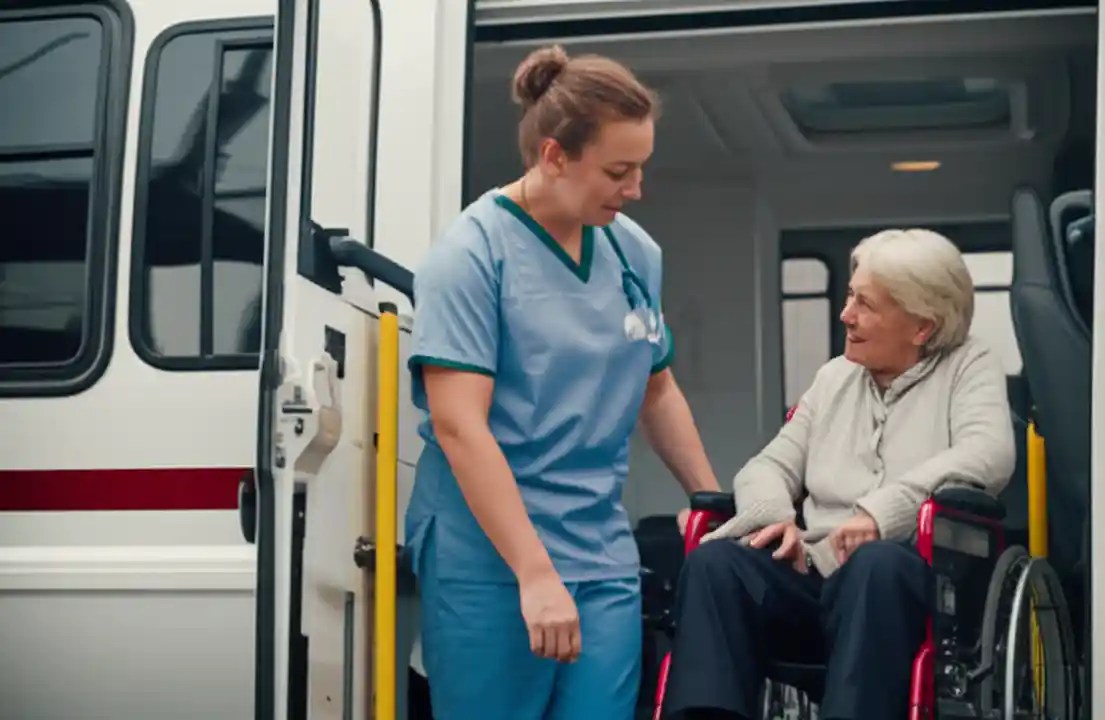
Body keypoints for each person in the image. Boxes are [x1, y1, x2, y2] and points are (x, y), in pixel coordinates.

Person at [405, 44, 720, 720]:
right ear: (553, 156)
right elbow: (461, 427)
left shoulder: (634, 252)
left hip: (598, 544)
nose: (635, 188)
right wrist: (534, 572)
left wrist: (712, 499)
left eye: (641, 168)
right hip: (486, 550)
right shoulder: (469, 257)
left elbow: (655, 386)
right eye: (618, 170)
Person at [660, 229, 1016, 720]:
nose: (846, 314)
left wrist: (880, 514)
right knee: (713, 563)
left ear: (922, 327)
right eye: (850, 295)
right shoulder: (834, 378)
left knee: (876, 564)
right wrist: (775, 516)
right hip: (815, 578)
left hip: (915, 587)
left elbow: (988, 453)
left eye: (866, 304)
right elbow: (769, 465)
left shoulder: (967, 366)